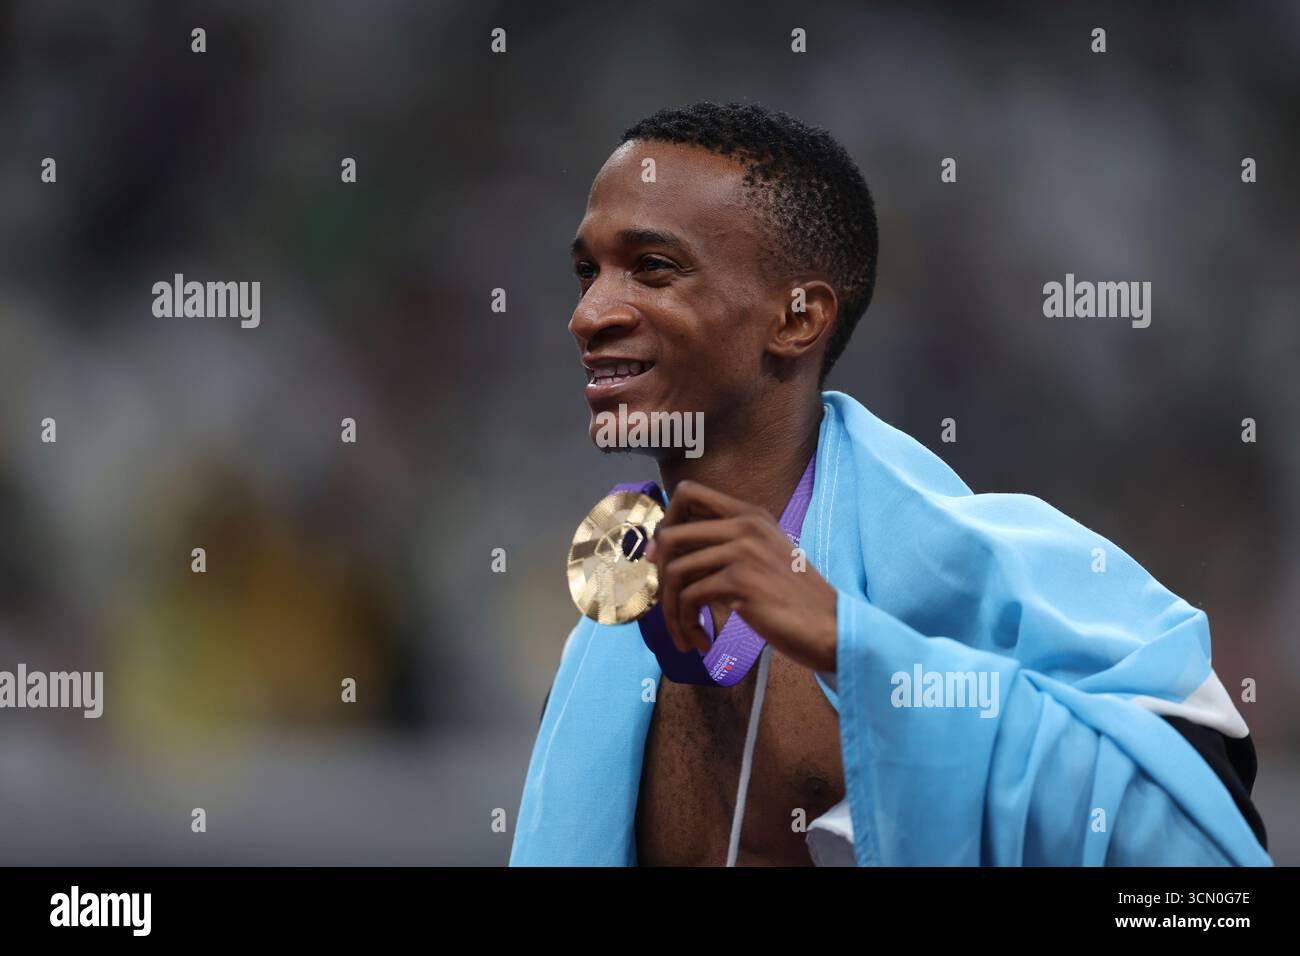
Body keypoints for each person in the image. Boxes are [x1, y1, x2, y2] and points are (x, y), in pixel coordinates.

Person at [510, 101, 1270, 866]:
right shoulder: (611, 628)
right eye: (588, 271)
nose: (589, 314)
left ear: (798, 318)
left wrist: (861, 648)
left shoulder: (979, 572)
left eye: (652, 268)